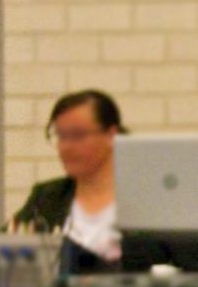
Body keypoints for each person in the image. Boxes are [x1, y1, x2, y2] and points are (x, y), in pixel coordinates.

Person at [8, 89, 128, 266]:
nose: (66, 147)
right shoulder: (47, 198)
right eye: (61, 136)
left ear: (111, 135)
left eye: (78, 135)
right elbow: (4, 245)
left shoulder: (143, 198)